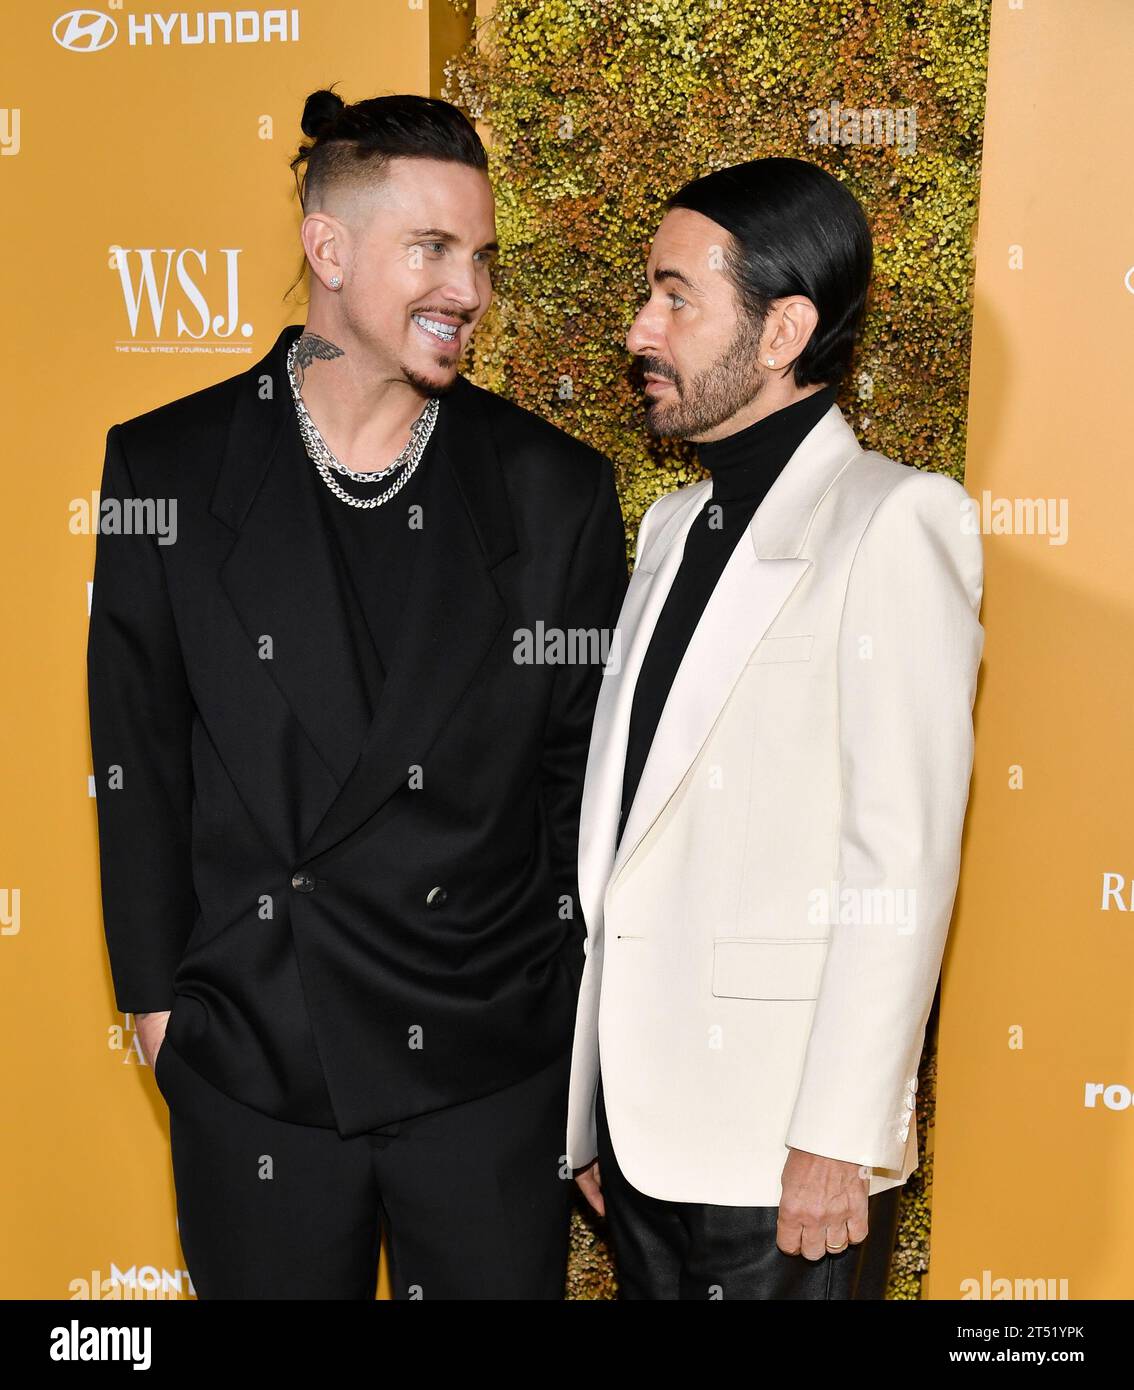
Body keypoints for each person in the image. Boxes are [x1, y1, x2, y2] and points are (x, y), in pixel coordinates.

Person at [87, 89, 627, 1300]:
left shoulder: (553, 491)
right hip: (259, 1055)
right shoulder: (166, 465)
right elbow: (137, 757)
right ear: (328, 250)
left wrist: (561, 1036)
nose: (470, 289)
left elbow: (576, 788)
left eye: (481, 256)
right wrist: (162, 1014)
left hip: (484, 1064)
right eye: (431, 249)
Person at [565, 157, 985, 1299]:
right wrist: (590, 1108)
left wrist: (841, 1134)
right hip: (644, 1139)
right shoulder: (667, 527)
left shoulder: (897, 520)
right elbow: (633, 834)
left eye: (674, 296)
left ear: (782, 328)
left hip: (784, 1151)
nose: (640, 327)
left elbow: (899, 859)